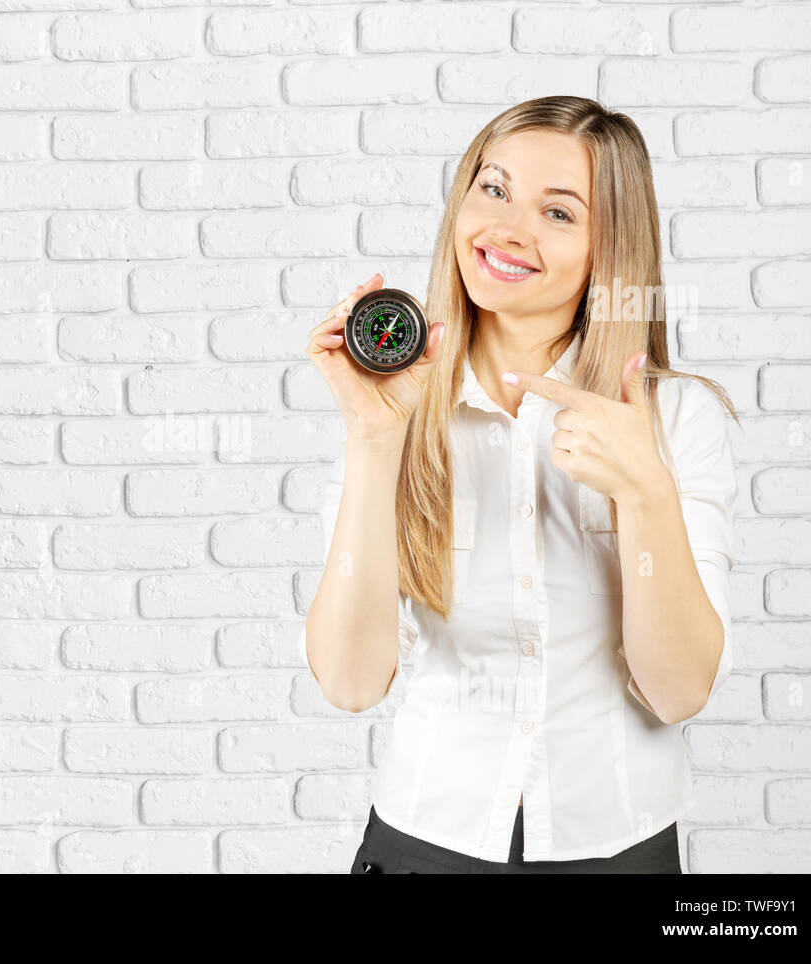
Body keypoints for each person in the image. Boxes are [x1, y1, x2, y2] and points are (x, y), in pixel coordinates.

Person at [303, 96, 740, 874]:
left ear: (610, 247)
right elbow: (349, 680)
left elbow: (677, 692)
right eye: (494, 189)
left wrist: (645, 495)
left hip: (617, 846)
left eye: (559, 213)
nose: (507, 229)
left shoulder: (678, 418)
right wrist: (375, 441)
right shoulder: (397, 406)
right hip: (422, 841)